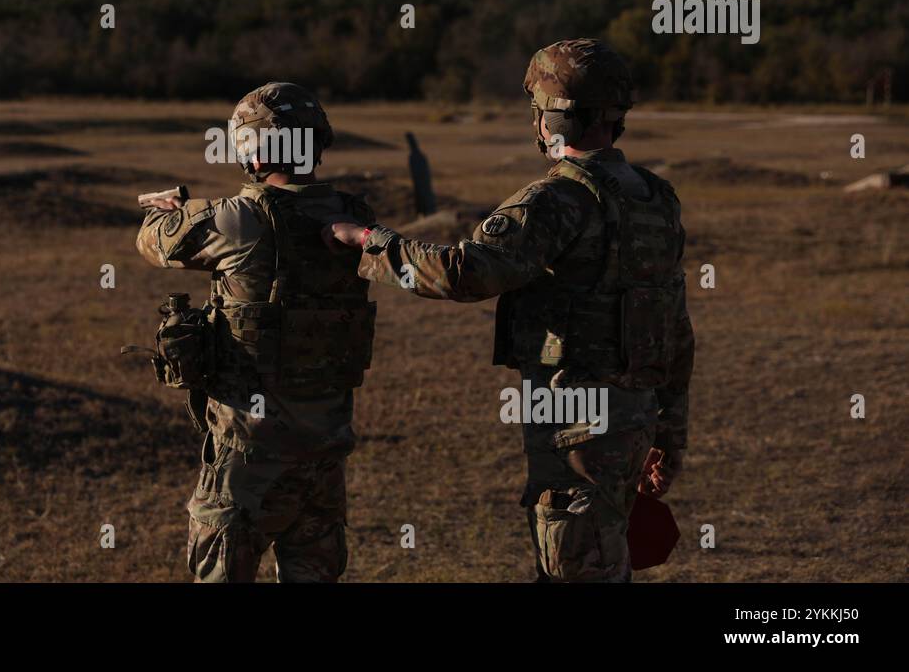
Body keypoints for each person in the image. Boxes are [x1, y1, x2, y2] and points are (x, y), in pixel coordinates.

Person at [328, 40, 694, 582]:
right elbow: (675, 326)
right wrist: (671, 431)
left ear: (551, 117)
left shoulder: (556, 199)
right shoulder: (656, 196)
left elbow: (464, 274)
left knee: (575, 564)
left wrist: (369, 241)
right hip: (634, 415)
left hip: (577, 424)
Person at [136, 82, 376, 582]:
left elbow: (155, 243)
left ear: (250, 150)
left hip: (247, 458)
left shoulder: (238, 219)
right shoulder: (354, 217)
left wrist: (170, 208)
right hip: (324, 454)